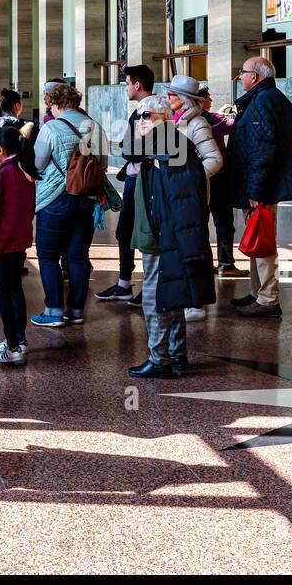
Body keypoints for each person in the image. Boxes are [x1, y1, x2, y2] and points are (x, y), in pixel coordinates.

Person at [125, 96, 216, 378]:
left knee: (154, 297)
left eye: (147, 115)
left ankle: (160, 358)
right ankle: (176, 353)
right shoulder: (158, 146)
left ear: (165, 118)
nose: (141, 121)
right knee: (170, 292)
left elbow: (184, 198)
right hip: (158, 232)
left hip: (162, 235)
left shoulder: (170, 147)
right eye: (137, 116)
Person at [229, 56, 292, 319]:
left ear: (255, 76)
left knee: (263, 241)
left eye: (242, 72)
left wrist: (256, 191)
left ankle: (268, 299)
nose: (240, 76)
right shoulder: (267, 98)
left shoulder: (263, 100)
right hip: (262, 184)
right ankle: (258, 292)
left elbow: (262, 150)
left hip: (263, 187)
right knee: (257, 238)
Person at [30, 82, 100, 328]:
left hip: (55, 198)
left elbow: (37, 165)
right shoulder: (94, 126)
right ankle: (76, 310)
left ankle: (54, 311)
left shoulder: (51, 128)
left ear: (55, 104)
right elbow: (101, 164)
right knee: (78, 256)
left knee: (48, 255)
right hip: (87, 198)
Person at [164, 74, 223, 323]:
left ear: (184, 99)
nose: (168, 97)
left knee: (195, 246)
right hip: (177, 195)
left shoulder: (197, 124)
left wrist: (192, 178)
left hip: (192, 196)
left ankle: (196, 303)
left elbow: (215, 159)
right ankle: (184, 296)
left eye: (172, 94)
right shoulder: (174, 120)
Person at [94, 64, 154, 307]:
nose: (126, 87)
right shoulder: (142, 110)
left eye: (127, 83)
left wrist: (127, 149)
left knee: (144, 233)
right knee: (125, 232)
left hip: (141, 180)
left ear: (137, 85)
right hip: (134, 178)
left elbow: (136, 149)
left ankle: (146, 287)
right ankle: (124, 283)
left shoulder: (148, 111)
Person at [0, 126, 37, 365]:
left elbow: (0, 215)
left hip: (6, 242)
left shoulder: (6, 173)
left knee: (5, 294)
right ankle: (19, 339)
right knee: (16, 290)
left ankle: (13, 345)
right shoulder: (23, 168)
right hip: (20, 239)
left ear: (0, 150)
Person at [198, 87, 247, 278]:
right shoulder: (211, 119)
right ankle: (226, 264)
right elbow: (232, 125)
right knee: (224, 221)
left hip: (198, 178)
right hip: (217, 177)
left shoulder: (185, 120)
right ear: (201, 101)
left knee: (200, 222)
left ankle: (203, 263)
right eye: (208, 97)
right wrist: (234, 113)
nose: (211, 100)